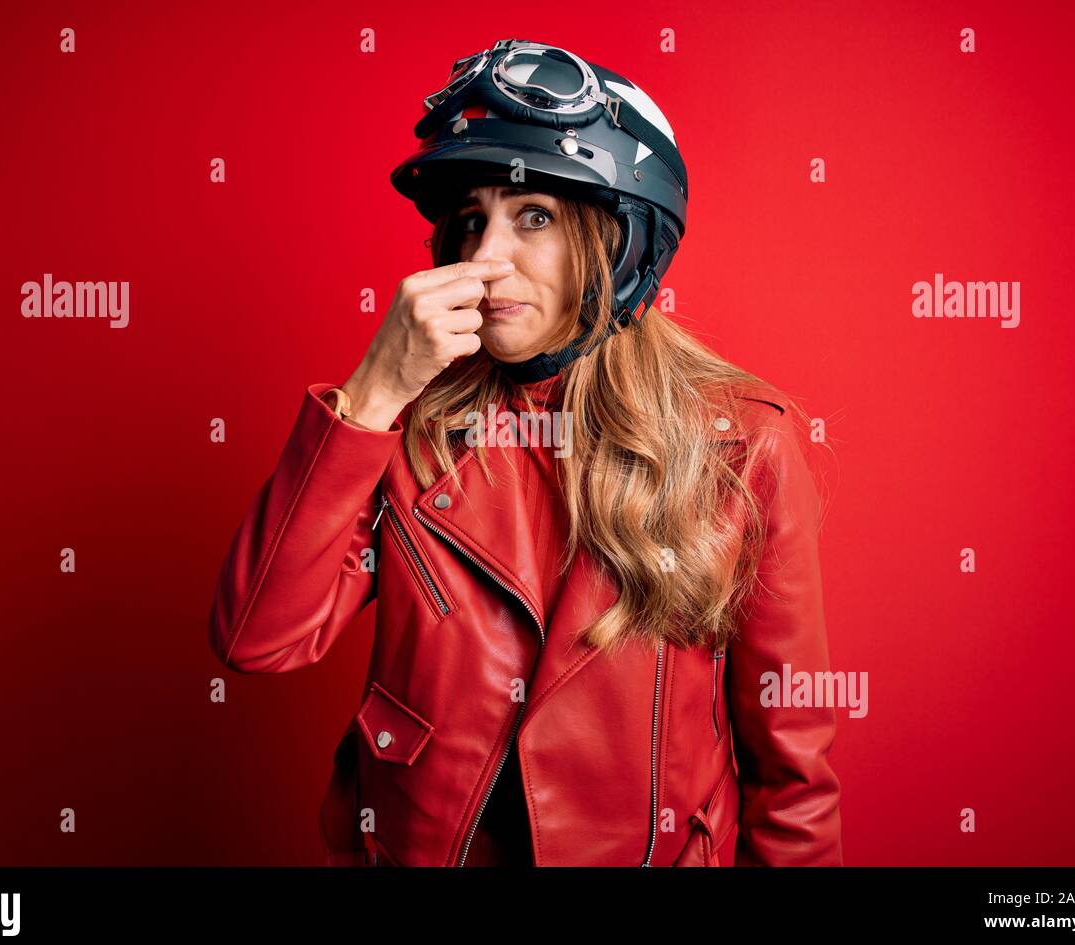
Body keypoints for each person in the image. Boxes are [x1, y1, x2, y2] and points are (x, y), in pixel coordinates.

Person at [208, 38, 843, 866]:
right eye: (470, 221)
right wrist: (372, 395)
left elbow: (791, 766)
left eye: (532, 217)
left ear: (621, 246)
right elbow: (258, 636)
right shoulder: (410, 430)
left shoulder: (741, 441)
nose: (484, 258)